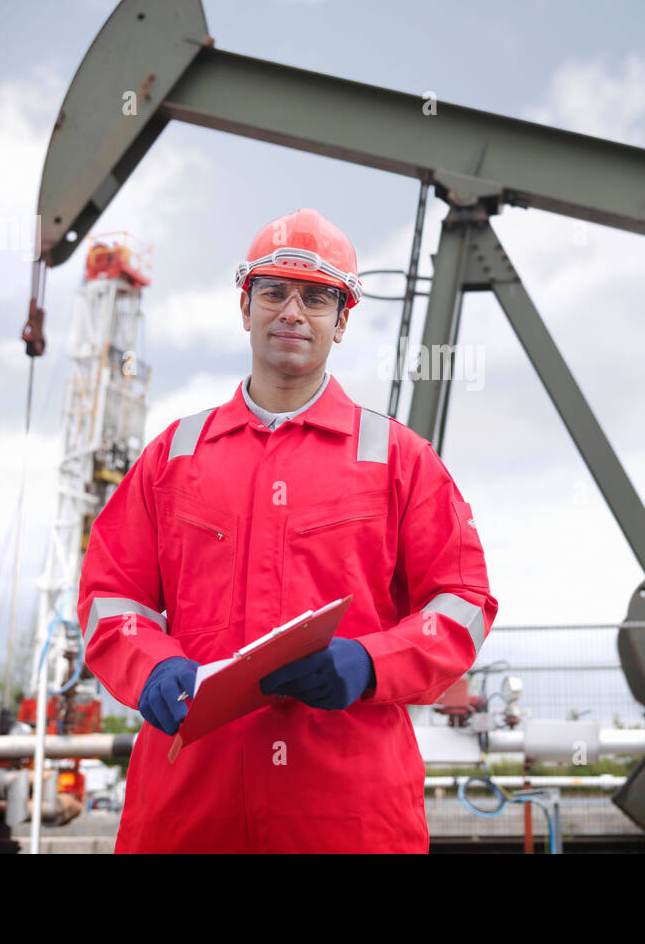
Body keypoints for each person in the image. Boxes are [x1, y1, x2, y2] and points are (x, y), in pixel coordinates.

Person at [77, 207, 497, 853]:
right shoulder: (174, 457)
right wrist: (152, 665)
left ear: (343, 318)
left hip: (345, 819)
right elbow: (110, 591)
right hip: (189, 813)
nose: (292, 311)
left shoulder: (398, 459)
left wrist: (369, 663)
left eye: (316, 296)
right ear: (245, 307)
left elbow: (463, 602)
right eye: (273, 291)